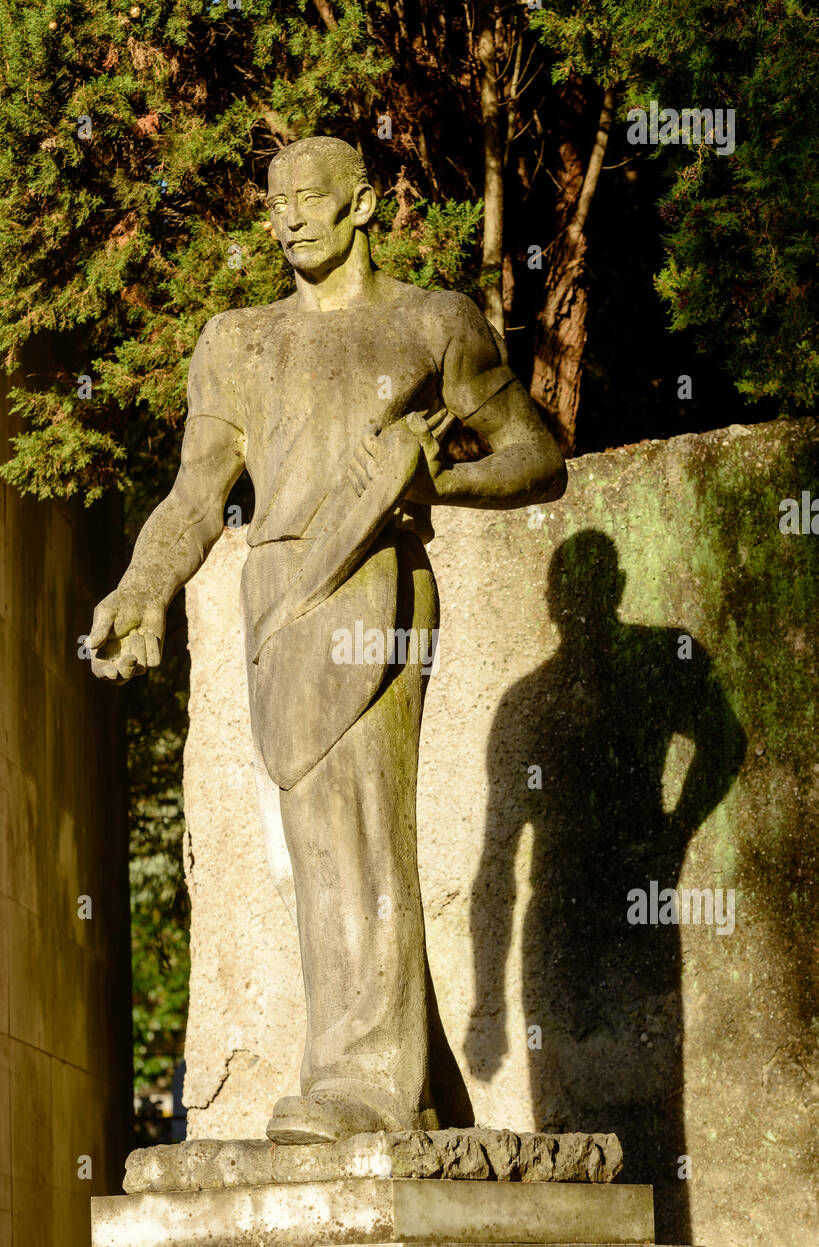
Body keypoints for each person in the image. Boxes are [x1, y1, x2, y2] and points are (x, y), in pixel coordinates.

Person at [89, 135, 566, 1143]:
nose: (290, 218)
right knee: (322, 845)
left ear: (366, 204)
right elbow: (195, 491)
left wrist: (431, 480)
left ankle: (362, 1083)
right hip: (278, 589)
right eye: (274, 205)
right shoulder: (238, 339)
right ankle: (422, 1083)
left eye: (310, 199)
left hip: (377, 579)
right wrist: (144, 585)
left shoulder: (431, 322)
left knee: (358, 826)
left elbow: (535, 454)